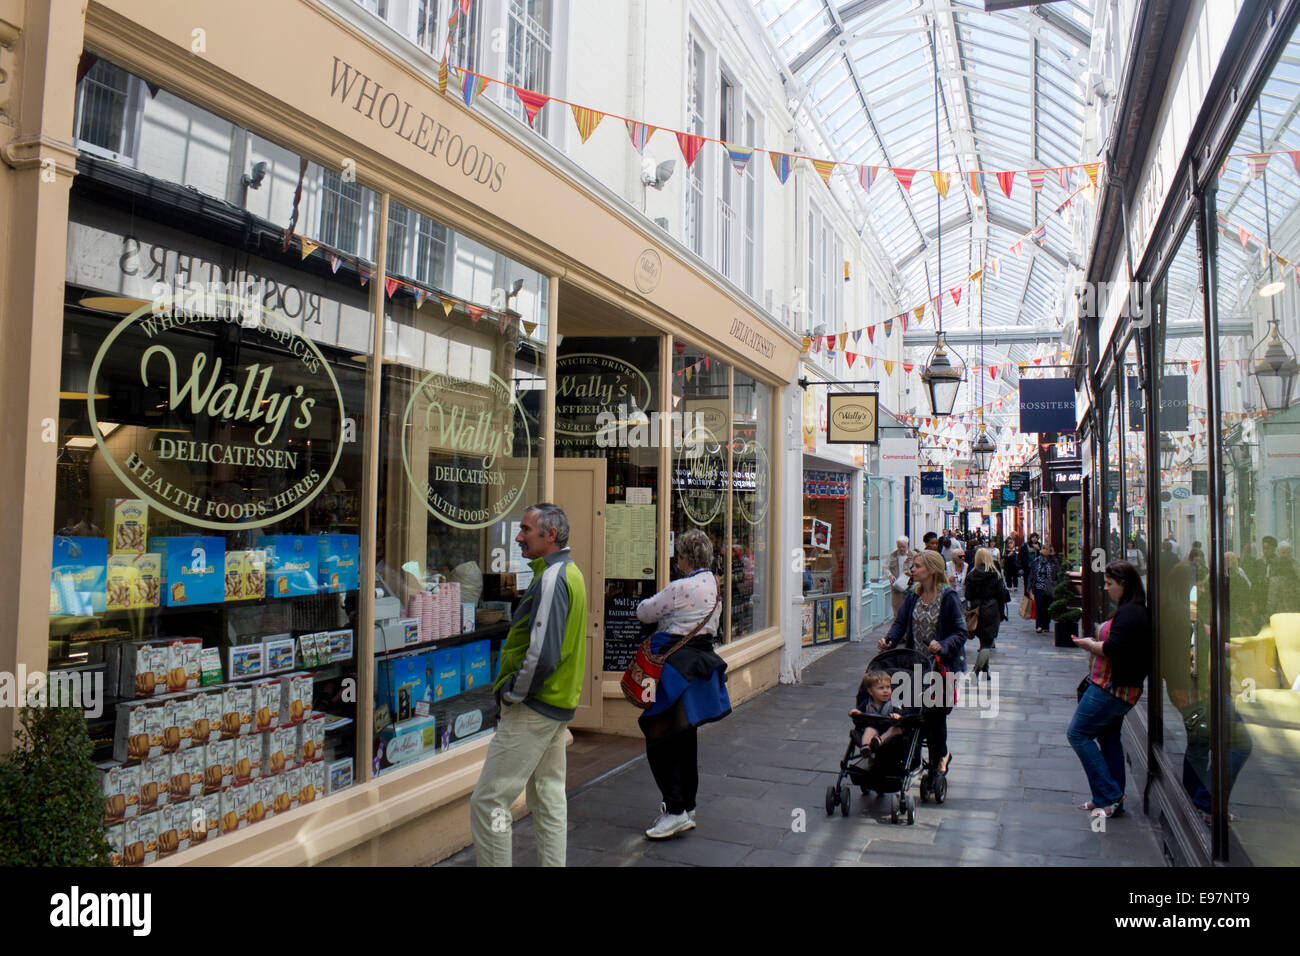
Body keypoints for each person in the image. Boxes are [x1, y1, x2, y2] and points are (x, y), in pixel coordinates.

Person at [470, 504, 587, 867]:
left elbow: (543, 653)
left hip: (533, 708)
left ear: (550, 535)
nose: (518, 537)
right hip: (555, 706)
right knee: (548, 797)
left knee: (489, 802)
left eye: (525, 530)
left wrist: (511, 694)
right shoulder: (570, 573)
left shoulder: (554, 578)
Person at [635, 528, 730, 840]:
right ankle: (686, 806)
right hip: (701, 662)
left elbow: (644, 612)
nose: (678, 560)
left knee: (656, 731)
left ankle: (675, 810)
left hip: (676, 665)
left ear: (686, 558)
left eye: (679, 556)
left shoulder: (680, 587)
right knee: (685, 736)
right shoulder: (714, 584)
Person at [1067, 560, 1151, 817]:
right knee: (1109, 740)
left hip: (1110, 688)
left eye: (1109, 584)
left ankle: (1109, 793)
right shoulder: (1130, 610)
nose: (1105, 588)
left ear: (1124, 585)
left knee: (1078, 734)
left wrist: (1089, 645)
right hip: (1119, 688)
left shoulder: (1130, 612)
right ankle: (1108, 800)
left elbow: (1114, 649)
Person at [877, 549, 967, 780]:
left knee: (935, 717)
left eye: (917, 566)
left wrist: (943, 645)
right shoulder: (913, 594)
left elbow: (961, 632)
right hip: (913, 667)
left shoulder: (949, 597)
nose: (912, 570)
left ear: (932, 570)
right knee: (910, 713)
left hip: (940, 669)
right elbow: (900, 623)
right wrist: (889, 640)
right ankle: (911, 756)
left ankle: (941, 757)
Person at [965, 548, 1010, 680]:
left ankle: (986, 670)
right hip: (992, 608)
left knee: (983, 640)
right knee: (987, 642)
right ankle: (977, 670)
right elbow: (1001, 595)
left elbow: (968, 595)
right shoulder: (995, 574)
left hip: (977, 609)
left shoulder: (971, 575)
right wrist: (1002, 613)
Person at [848, 669, 902, 758]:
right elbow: (860, 713)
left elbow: (900, 712)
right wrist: (856, 713)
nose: (886, 691)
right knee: (869, 729)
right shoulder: (867, 703)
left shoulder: (894, 702)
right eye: (881, 688)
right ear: (871, 692)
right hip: (874, 728)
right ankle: (865, 747)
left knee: (897, 729)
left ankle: (879, 740)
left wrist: (897, 715)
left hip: (889, 729)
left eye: (888, 687)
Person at [1028, 544, 1061, 633]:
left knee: (1048, 607)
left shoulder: (1054, 561)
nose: (1045, 551)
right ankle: (1039, 625)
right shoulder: (1037, 560)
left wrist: (1058, 585)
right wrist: (1029, 587)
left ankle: (1046, 624)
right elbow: (1032, 574)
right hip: (1039, 587)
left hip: (1050, 587)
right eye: (1044, 549)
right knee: (1040, 606)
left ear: (1051, 551)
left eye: (1047, 549)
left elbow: (1058, 574)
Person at [885, 536, 916, 615]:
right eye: (899, 547)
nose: (901, 549)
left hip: (910, 586)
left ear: (907, 545)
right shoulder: (892, 555)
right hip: (897, 587)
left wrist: (912, 574)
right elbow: (885, 568)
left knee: (910, 609)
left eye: (903, 547)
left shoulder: (913, 555)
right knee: (897, 609)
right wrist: (890, 575)